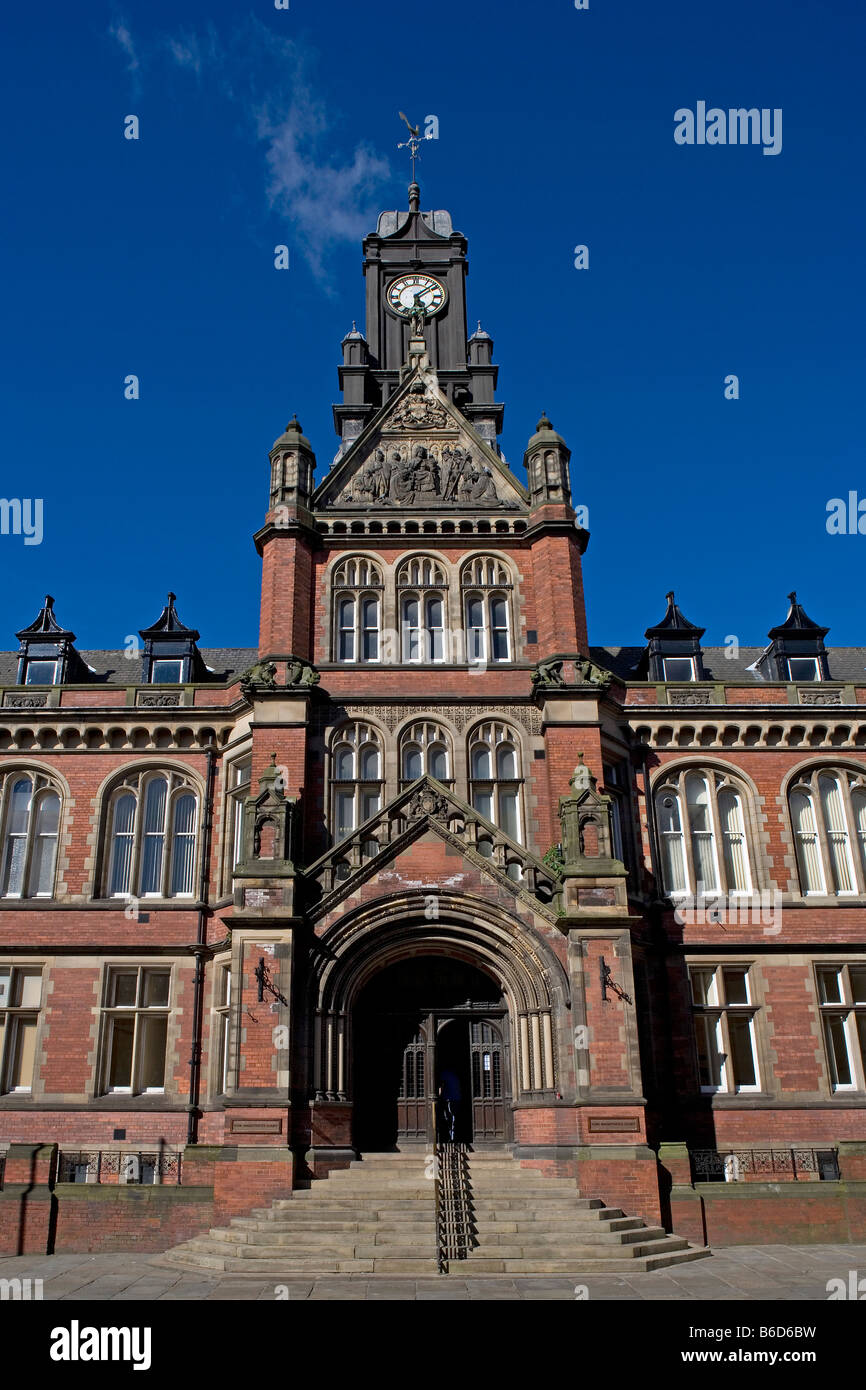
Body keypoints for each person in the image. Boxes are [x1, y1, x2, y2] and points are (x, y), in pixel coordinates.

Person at [438, 1067, 461, 1143]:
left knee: (449, 1118)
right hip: (456, 1098)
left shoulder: (444, 1074)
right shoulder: (455, 1074)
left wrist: (439, 1096)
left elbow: (441, 1086)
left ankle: (451, 1137)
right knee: (453, 1117)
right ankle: (452, 1136)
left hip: (449, 1099)